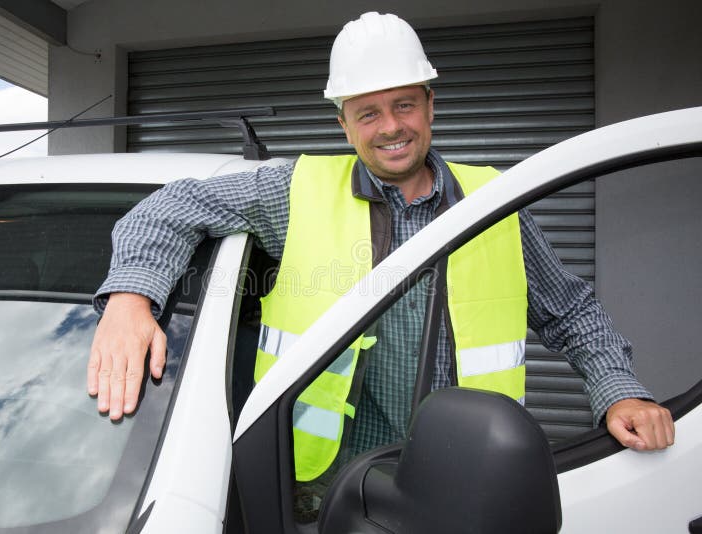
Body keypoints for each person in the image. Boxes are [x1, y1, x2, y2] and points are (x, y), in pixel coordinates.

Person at [88, 12, 674, 463]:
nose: (390, 127)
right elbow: (170, 207)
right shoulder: (294, 191)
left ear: (430, 105)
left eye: (403, 106)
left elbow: (569, 309)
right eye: (367, 114)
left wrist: (619, 389)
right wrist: (130, 302)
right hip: (322, 485)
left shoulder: (492, 202)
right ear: (342, 123)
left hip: (463, 472)